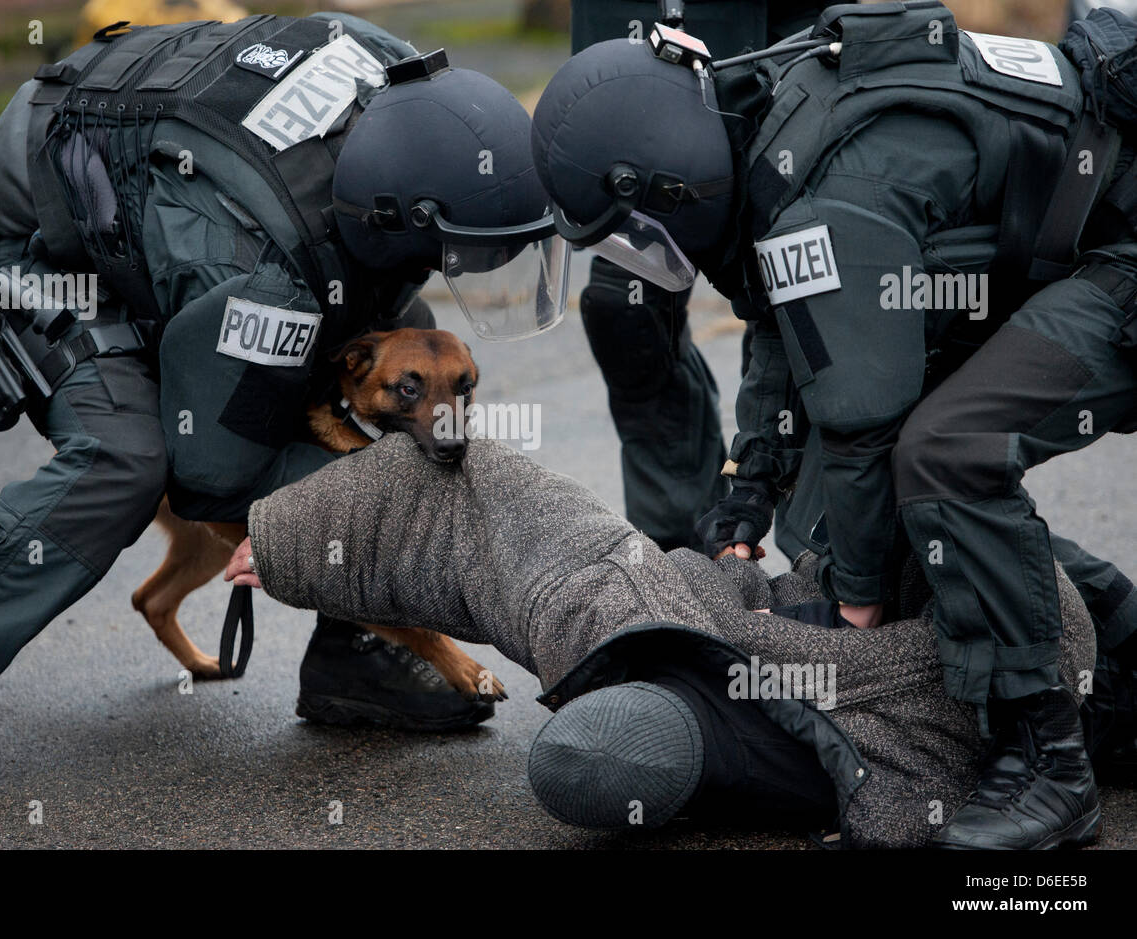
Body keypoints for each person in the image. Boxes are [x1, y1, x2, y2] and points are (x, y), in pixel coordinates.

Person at [0, 12, 567, 793]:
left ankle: (355, 658)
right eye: (457, 250)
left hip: (154, 226)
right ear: (397, 212)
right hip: (34, 245)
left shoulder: (408, 92)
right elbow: (213, 477)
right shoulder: (268, 272)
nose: (461, 269)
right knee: (129, 456)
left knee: (400, 358)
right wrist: (333, 518)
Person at [527, 1, 1137, 848]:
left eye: (634, 229)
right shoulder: (762, 122)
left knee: (944, 456)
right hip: (1076, 226)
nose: (643, 252)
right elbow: (793, 325)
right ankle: (1123, 667)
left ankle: (1050, 763)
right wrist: (750, 488)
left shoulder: (836, 190)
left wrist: (854, 604)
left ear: (665, 185)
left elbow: (861, 420)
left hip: (1123, 244)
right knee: (841, 511)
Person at [223, 431, 1095, 848]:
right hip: (723, 635)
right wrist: (294, 540)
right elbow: (483, 498)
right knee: (527, 518)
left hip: (747, 680)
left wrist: (752, 622)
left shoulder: (1018, 630)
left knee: (603, 731)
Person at [566, 0, 850, 551]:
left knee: (793, 303)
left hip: (785, 29)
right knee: (622, 308)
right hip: (631, 21)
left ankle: (816, 547)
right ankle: (684, 547)